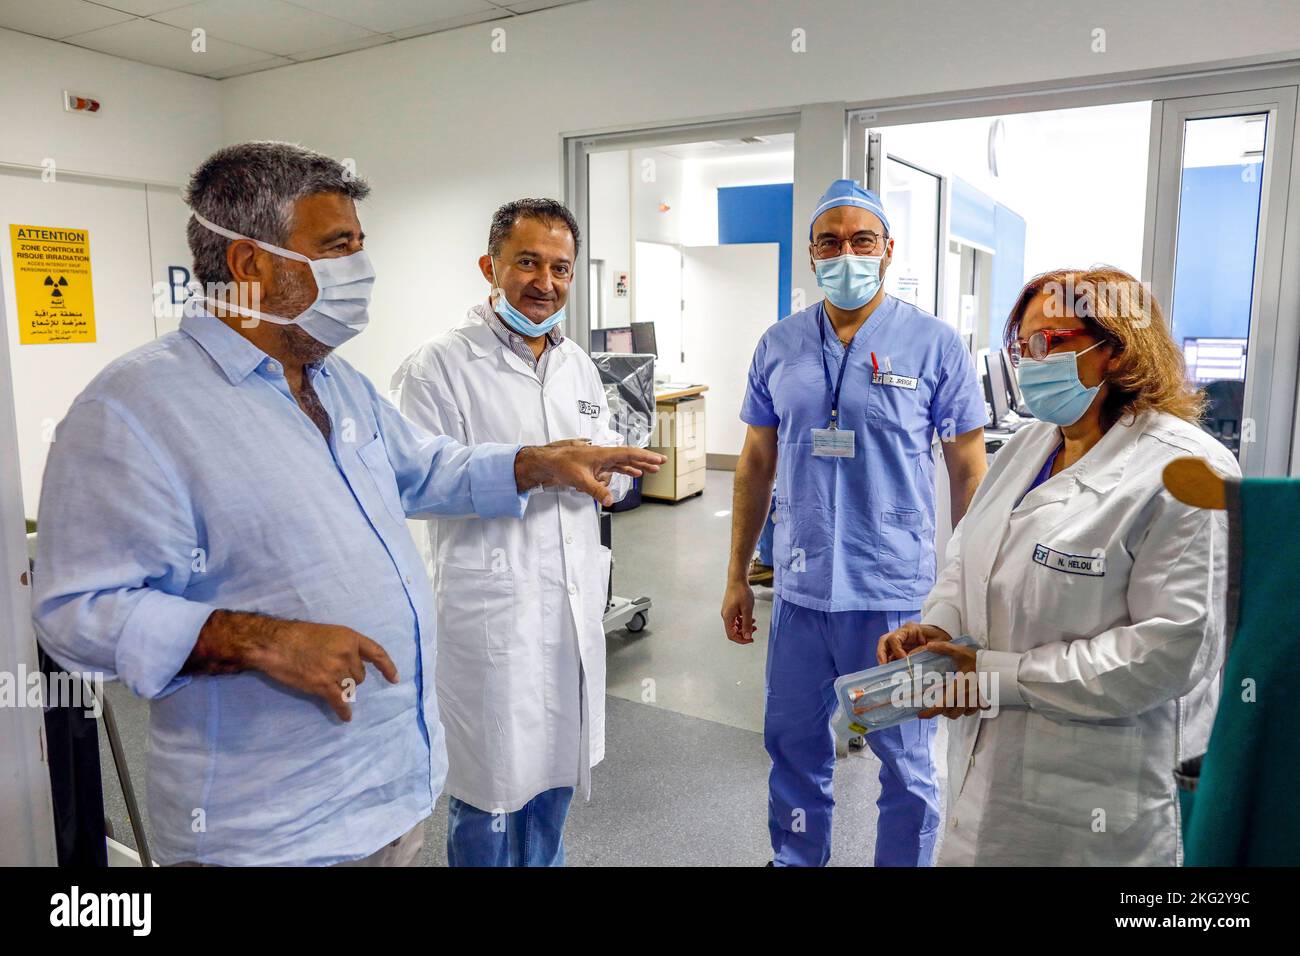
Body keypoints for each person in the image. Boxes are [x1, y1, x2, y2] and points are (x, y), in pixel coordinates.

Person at [31, 142, 661, 867]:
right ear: (249, 265)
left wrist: (540, 462)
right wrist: (257, 638)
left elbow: (429, 469)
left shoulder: (335, 385)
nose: (360, 269)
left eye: (360, 246)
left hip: (390, 798)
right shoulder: (138, 408)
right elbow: (73, 612)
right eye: (337, 248)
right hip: (270, 830)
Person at [878, 267, 1239, 865]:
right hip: (987, 775)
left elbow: (1170, 653)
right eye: (1022, 346)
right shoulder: (1029, 444)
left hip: (1100, 799)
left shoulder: (1188, 473)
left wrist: (994, 676)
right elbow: (967, 553)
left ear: (1117, 352)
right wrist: (939, 625)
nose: (1030, 362)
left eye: (1053, 342)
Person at [722, 179, 989, 867]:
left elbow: (967, 467)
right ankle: (796, 859)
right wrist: (736, 577)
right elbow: (755, 461)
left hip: (894, 592)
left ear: (888, 250)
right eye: (830, 242)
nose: (847, 254)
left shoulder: (934, 344)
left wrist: (966, 585)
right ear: (812, 255)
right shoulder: (779, 344)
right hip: (802, 589)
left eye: (862, 240)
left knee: (905, 761)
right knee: (791, 743)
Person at [391, 198, 624, 867]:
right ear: (489, 265)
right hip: (491, 616)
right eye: (527, 261)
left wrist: (613, 471)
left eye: (560, 267)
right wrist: (532, 468)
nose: (545, 282)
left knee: (554, 773)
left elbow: (595, 453)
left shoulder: (578, 363)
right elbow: (414, 484)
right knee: (489, 790)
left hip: (568, 609)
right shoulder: (438, 366)